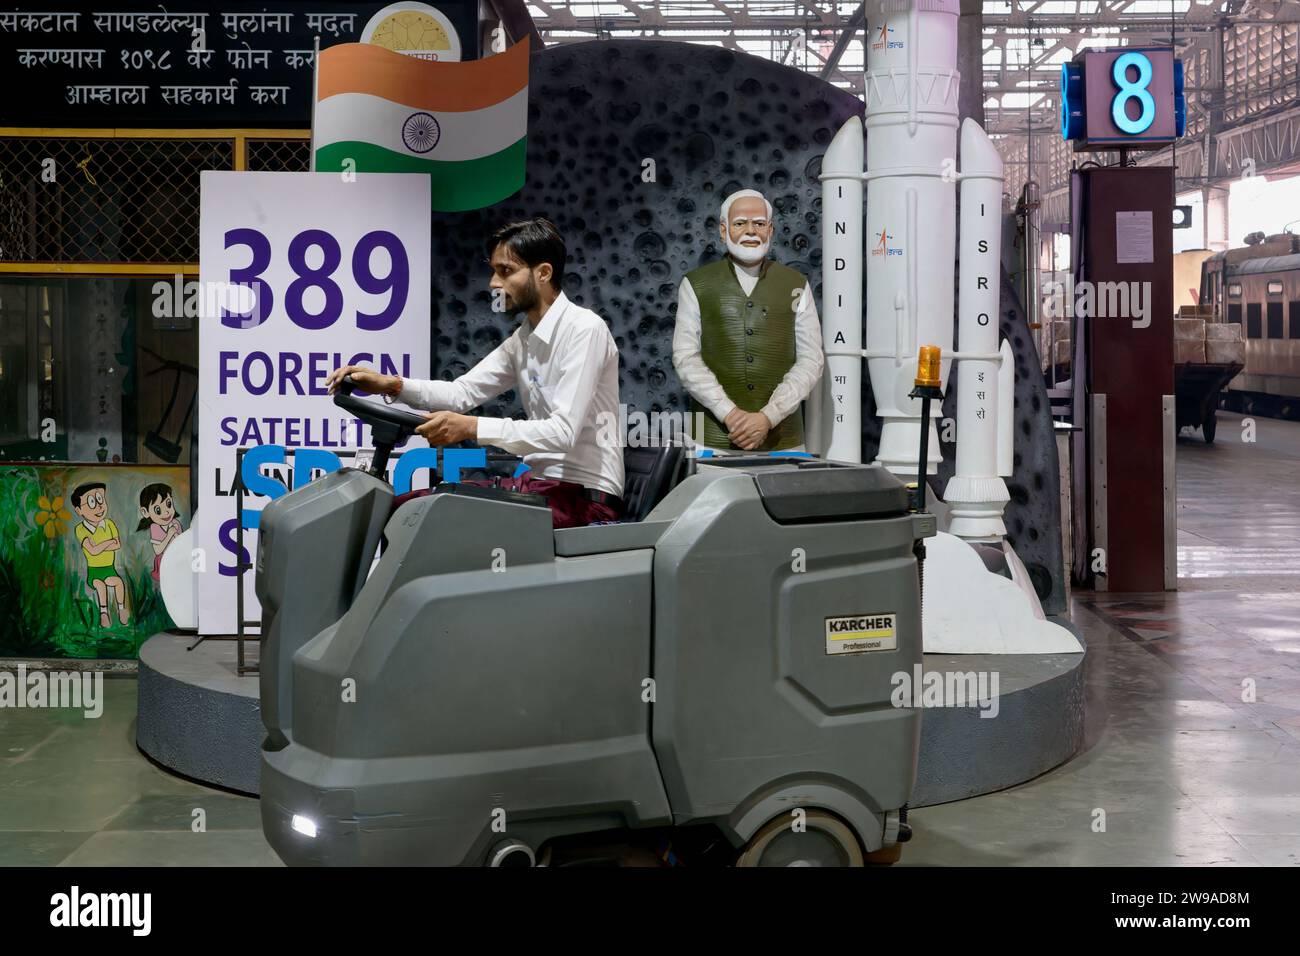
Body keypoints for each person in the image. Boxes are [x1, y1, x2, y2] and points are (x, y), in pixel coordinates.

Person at [326, 217, 624, 528]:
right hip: (544, 490)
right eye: (494, 271)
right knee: (406, 507)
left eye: (505, 271)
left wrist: (471, 427)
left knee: (425, 518)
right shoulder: (523, 340)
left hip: (585, 503)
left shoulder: (584, 330)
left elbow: (563, 433)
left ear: (544, 273)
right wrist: (391, 384)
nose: (493, 283)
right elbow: (461, 393)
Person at [673, 188, 824, 453]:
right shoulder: (695, 285)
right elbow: (686, 359)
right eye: (740, 223)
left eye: (759, 224)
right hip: (711, 443)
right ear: (723, 231)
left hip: (784, 444)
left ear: (771, 230)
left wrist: (768, 417)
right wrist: (730, 414)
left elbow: (811, 360)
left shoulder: (796, 285)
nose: (751, 231)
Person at [71, 481, 129, 627]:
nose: (99, 506)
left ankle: (121, 610)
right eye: (91, 502)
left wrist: (100, 546)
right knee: (100, 586)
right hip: (94, 572)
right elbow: (92, 551)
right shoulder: (80, 529)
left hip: (110, 569)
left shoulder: (109, 524)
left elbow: (117, 544)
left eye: (100, 499)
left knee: (118, 582)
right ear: (79, 511)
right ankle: (104, 614)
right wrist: (107, 543)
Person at [136, 482, 183, 583]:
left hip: (177, 560)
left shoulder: (176, 523)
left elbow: (181, 544)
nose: (166, 512)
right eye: (158, 510)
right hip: (164, 561)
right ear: (145, 512)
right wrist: (170, 534)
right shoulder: (155, 527)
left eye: (169, 504)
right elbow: (158, 550)